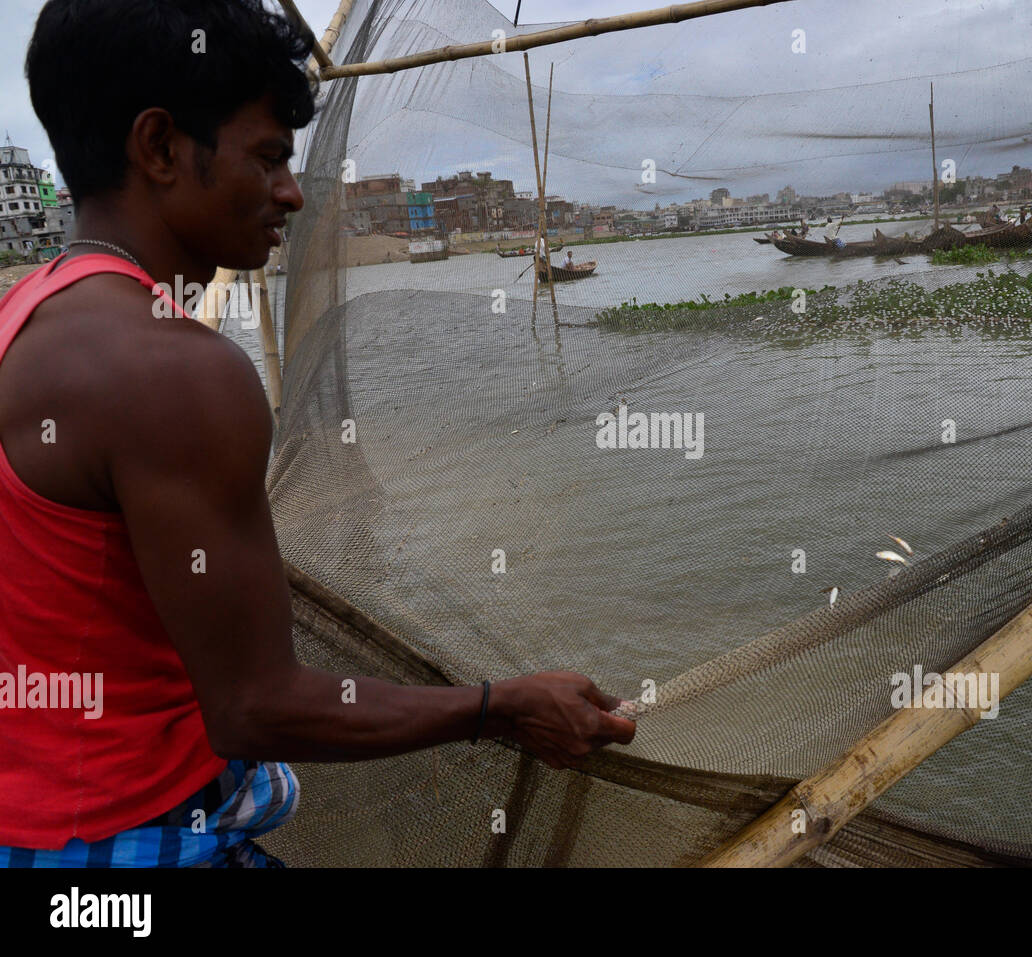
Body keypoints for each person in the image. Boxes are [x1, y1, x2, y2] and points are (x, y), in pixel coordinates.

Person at [0, 0, 635, 869]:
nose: (291, 194)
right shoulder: (174, 372)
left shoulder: (22, 318)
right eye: (266, 159)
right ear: (159, 148)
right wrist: (499, 706)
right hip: (131, 847)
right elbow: (254, 706)